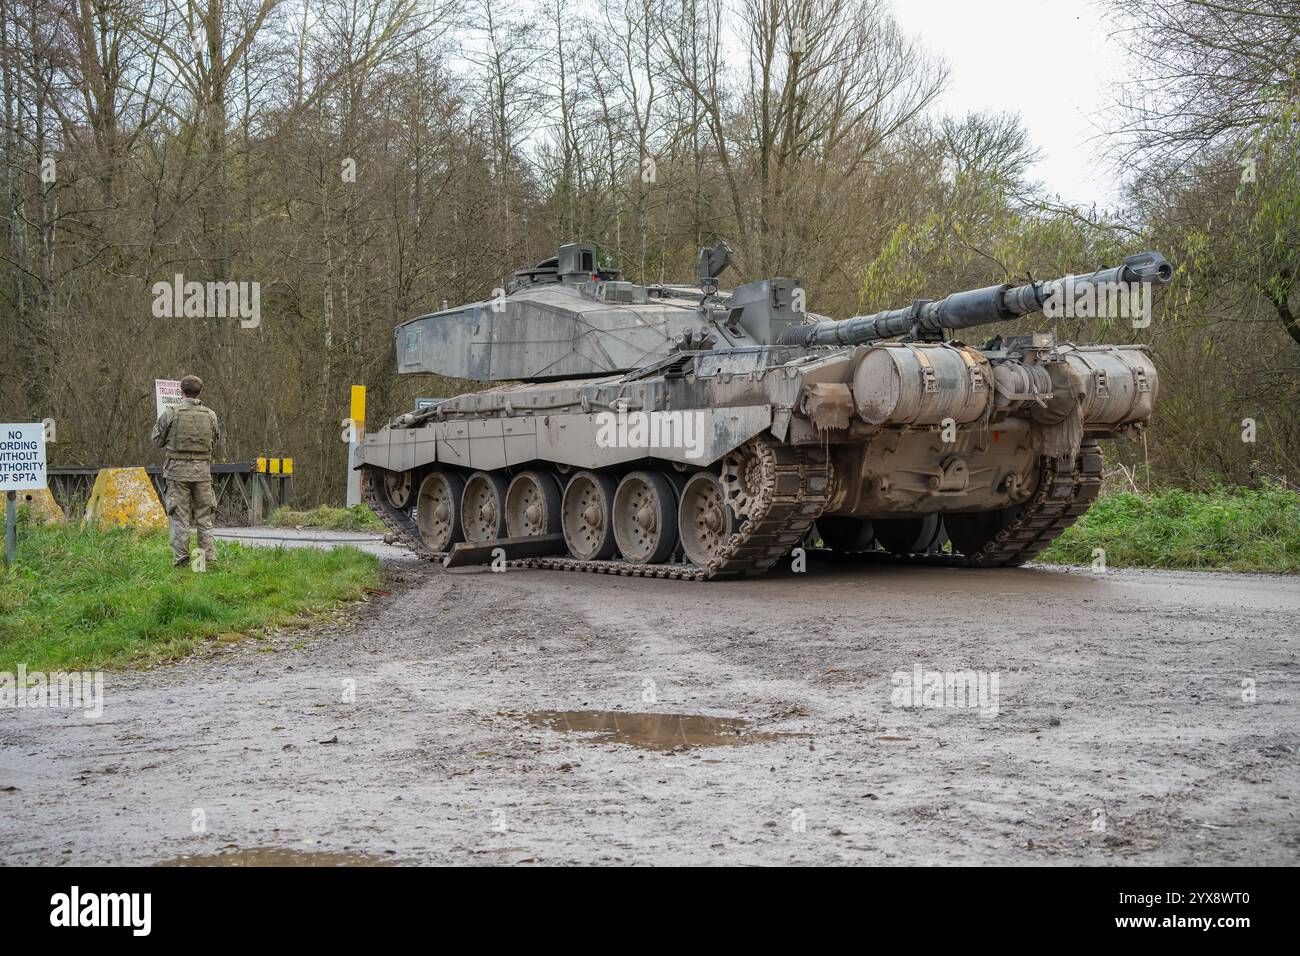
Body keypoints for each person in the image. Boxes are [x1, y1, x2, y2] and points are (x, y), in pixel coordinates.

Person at [150, 375, 224, 568]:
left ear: (180, 391)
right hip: (202, 473)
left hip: (177, 473)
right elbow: (217, 442)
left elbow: (156, 440)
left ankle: (182, 562)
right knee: (204, 519)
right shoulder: (211, 415)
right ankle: (204, 562)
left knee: (179, 518)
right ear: (200, 392)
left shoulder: (171, 413)